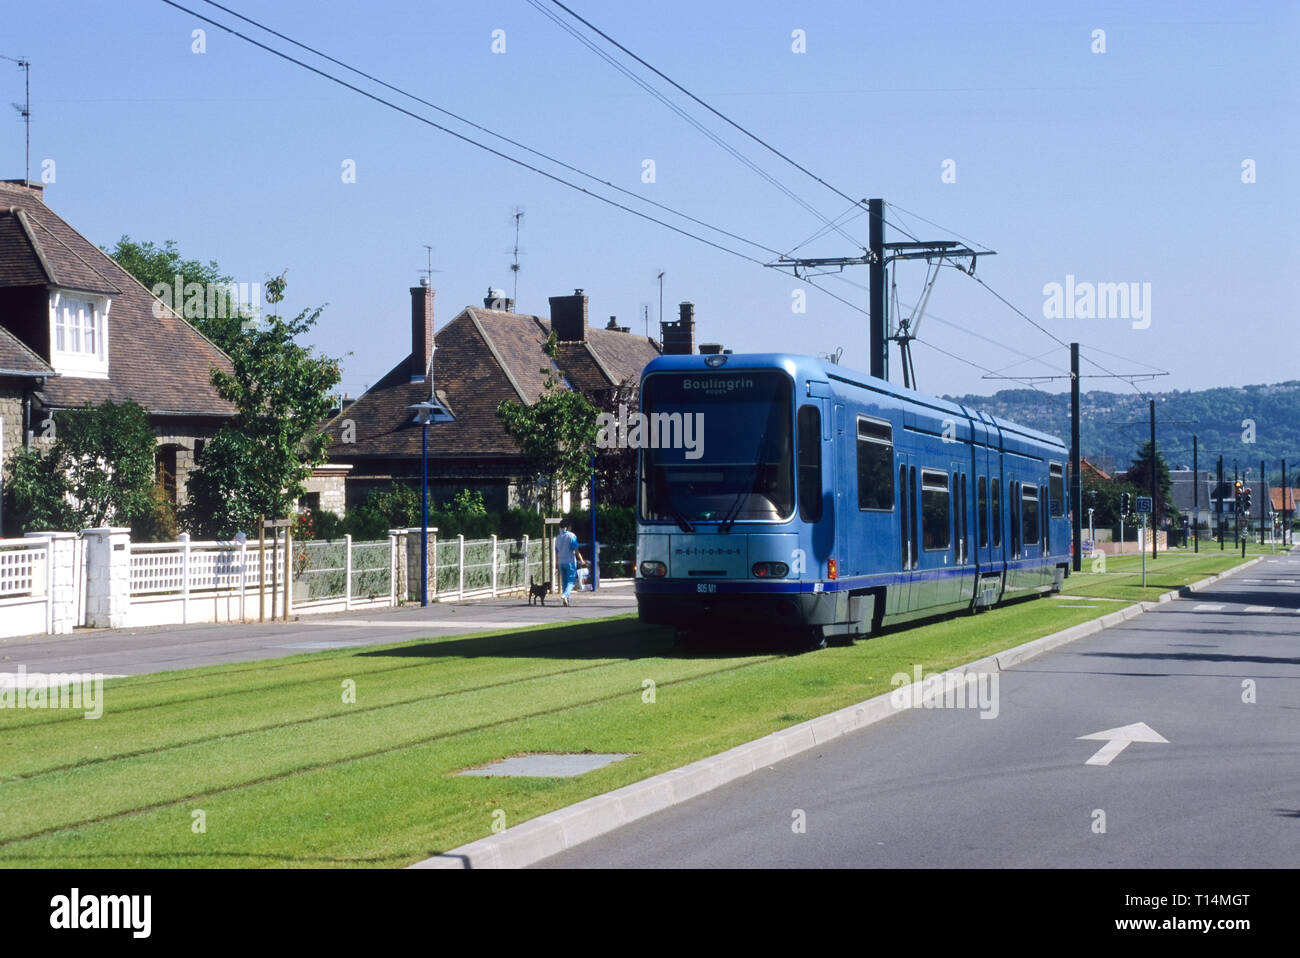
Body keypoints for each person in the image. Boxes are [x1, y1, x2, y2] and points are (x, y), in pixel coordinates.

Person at [554, 523, 585, 606]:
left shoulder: (557, 537)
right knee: (571, 582)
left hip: (561, 561)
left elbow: (556, 552)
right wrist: (581, 559)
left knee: (564, 582)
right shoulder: (572, 536)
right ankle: (565, 595)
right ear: (568, 527)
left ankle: (566, 600)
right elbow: (576, 550)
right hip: (570, 561)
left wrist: (556, 563)